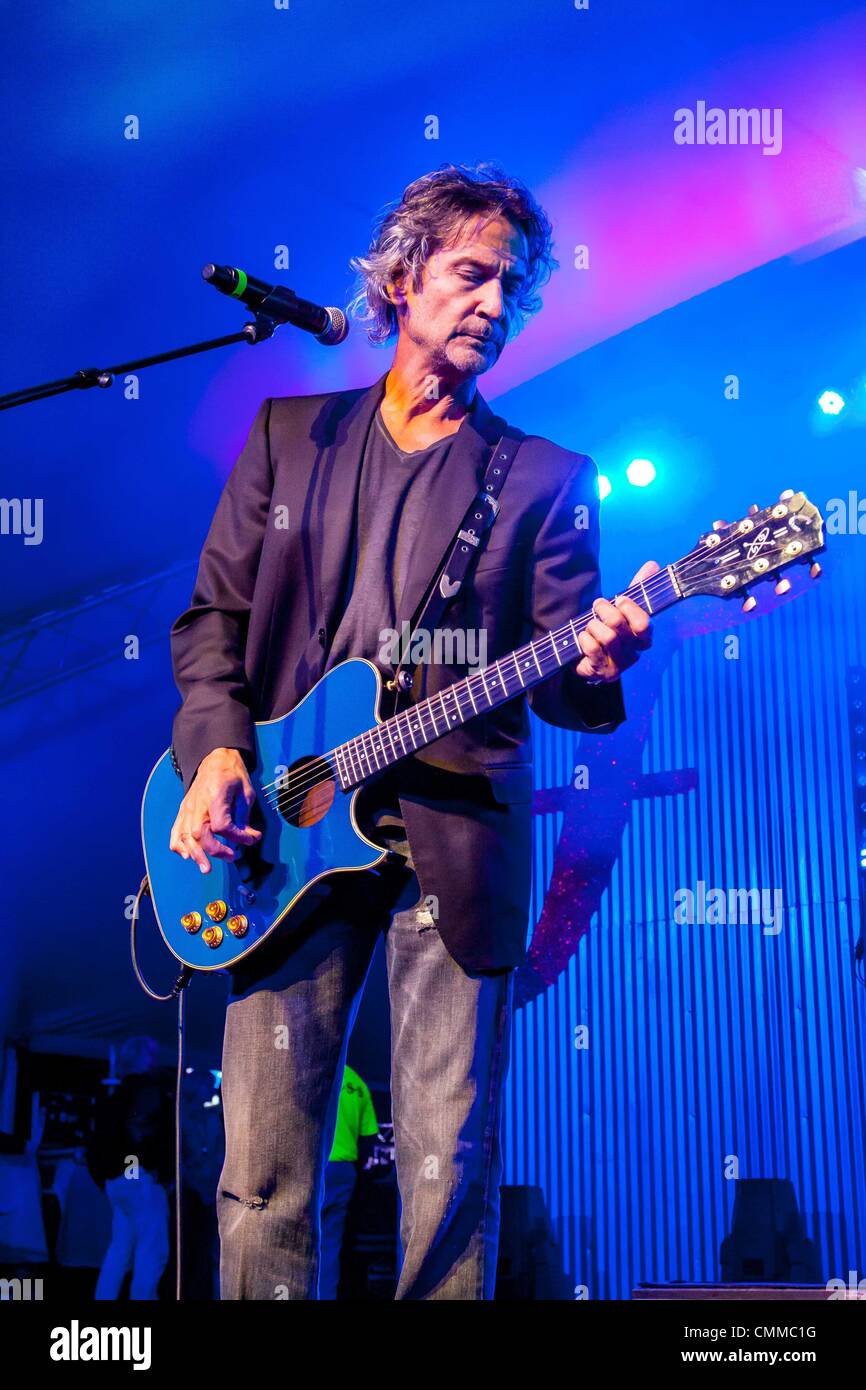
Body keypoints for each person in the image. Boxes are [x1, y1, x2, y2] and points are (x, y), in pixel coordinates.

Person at [168, 162, 655, 1300]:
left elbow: (565, 688)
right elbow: (212, 621)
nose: (493, 303)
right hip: (285, 836)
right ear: (400, 276)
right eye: (472, 274)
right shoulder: (291, 438)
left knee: (449, 1169)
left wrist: (601, 659)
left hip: (453, 834)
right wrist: (219, 753)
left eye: (512, 286)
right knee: (264, 1177)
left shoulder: (543, 479)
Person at [86, 1037, 172, 1300]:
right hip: (137, 1176)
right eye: (152, 1055)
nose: (156, 1060)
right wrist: (154, 1169)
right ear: (143, 1058)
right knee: (151, 1249)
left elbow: (98, 1142)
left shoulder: (114, 1097)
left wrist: (108, 1176)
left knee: (120, 1249)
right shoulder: (147, 1092)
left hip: (119, 1179)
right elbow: (143, 1134)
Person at [318, 1064, 379, 1300]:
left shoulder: (310, 1068)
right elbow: (369, 1138)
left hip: (309, 1165)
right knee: (329, 1244)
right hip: (343, 1171)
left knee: (293, 1236)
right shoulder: (358, 1083)